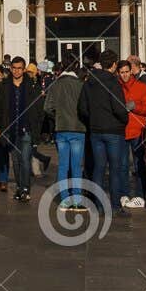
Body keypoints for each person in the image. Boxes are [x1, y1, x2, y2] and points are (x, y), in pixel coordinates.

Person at [78, 54, 130, 217]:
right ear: (114, 65)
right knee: (114, 169)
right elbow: (119, 107)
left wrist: (92, 119)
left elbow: (82, 107)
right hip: (113, 130)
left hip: (96, 129)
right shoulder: (113, 82)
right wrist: (124, 119)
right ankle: (114, 206)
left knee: (98, 168)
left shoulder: (89, 82)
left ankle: (98, 205)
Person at [0, 56, 44, 202]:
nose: (16, 71)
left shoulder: (31, 85)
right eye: (14, 68)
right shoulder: (4, 86)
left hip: (26, 128)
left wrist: (37, 128)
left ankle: (26, 189)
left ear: (24, 69)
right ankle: (20, 187)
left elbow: (39, 109)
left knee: (25, 160)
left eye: (19, 68)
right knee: (16, 160)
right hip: (10, 129)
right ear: (11, 68)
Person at [44, 57, 87, 211]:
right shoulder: (81, 85)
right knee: (76, 166)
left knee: (63, 165)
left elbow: (47, 108)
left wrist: (57, 116)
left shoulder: (55, 85)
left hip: (61, 128)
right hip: (77, 128)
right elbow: (85, 108)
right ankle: (76, 200)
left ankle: (64, 200)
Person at [117, 58, 146, 208]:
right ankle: (124, 193)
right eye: (122, 72)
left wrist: (135, 107)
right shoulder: (116, 87)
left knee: (139, 164)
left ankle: (140, 195)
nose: (124, 75)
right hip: (121, 131)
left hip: (137, 131)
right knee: (123, 165)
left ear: (131, 71)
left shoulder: (141, 86)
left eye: (126, 72)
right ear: (118, 73)